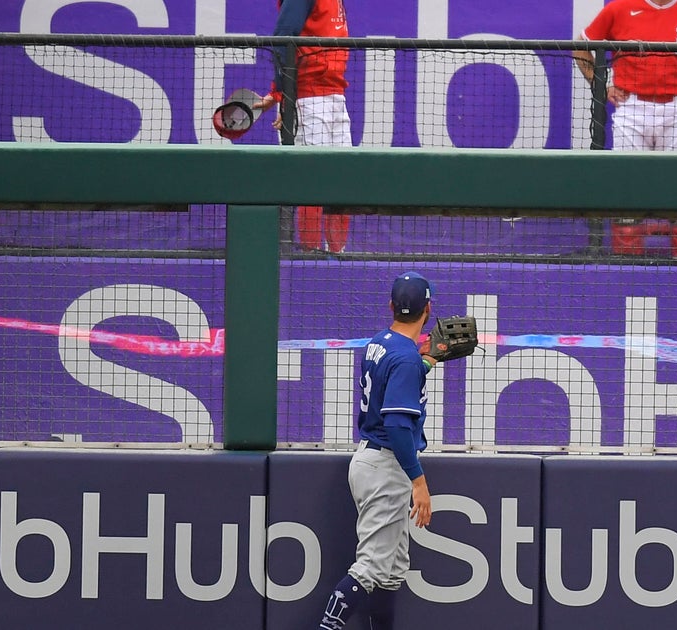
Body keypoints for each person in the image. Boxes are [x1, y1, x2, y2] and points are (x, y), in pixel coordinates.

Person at [316, 271, 436, 630]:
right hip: (387, 464)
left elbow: (394, 382)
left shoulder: (379, 342)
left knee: (391, 571)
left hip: (371, 458)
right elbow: (399, 427)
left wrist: (427, 362)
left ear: (391, 307)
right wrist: (419, 482)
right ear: (427, 310)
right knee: (370, 567)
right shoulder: (406, 359)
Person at [573, 0, 677, 258]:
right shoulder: (620, 8)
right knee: (628, 188)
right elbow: (580, 48)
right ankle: (627, 264)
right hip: (631, 107)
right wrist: (601, 85)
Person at [253, 0, 353, 254]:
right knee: (313, 183)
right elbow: (282, 39)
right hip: (308, 98)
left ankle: (338, 253)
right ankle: (310, 255)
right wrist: (283, 95)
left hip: (336, 93)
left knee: (345, 182)